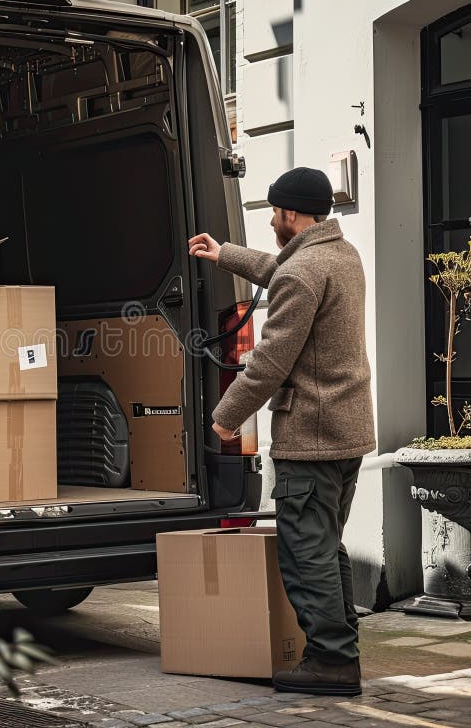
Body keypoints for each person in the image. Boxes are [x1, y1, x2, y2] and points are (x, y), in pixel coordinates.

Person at [188, 167, 375, 696]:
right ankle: (340, 650)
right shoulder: (340, 255)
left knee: (305, 551)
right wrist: (225, 253)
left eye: (273, 212)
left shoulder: (305, 272)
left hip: (311, 435)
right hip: (347, 430)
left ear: (290, 213)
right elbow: (282, 270)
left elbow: (268, 364)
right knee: (325, 544)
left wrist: (225, 416)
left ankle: (333, 662)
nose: (272, 221)